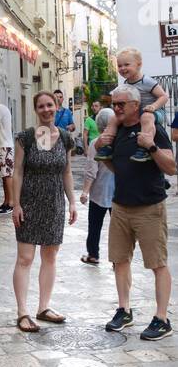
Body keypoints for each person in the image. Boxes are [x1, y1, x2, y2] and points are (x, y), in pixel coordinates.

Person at [96, 85, 175, 339]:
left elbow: (172, 168)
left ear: (135, 105)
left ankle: (162, 319)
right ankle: (124, 310)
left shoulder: (151, 128)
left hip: (149, 206)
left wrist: (151, 147)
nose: (116, 109)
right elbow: (112, 163)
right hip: (120, 206)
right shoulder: (117, 130)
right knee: (119, 260)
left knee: (157, 264)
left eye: (121, 105)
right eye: (114, 104)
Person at [11, 90, 77, 332]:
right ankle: (22, 312)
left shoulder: (66, 138)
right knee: (25, 258)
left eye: (50, 105)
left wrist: (71, 201)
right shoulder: (25, 137)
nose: (47, 109)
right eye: (41, 106)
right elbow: (17, 171)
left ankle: (43, 307)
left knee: (50, 257)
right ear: (36, 110)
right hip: (28, 202)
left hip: (54, 203)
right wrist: (16, 204)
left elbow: (67, 171)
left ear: (57, 106)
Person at [95, 47, 169, 163]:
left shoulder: (147, 81)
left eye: (126, 64)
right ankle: (107, 145)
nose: (122, 68)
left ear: (138, 65)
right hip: (137, 112)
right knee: (114, 118)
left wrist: (153, 107)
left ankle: (144, 148)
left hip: (155, 112)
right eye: (119, 66)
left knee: (146, 117)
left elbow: (164, 96)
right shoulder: (126, 84)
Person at [80, 107, 115, 264]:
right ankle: (118, 260)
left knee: (95, 226)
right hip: (119, 193)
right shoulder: (121, 141)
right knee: (119, 229)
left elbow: (91, 170)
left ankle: (93, 254)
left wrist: (85, 192)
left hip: (99, 192)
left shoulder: (96, 143)